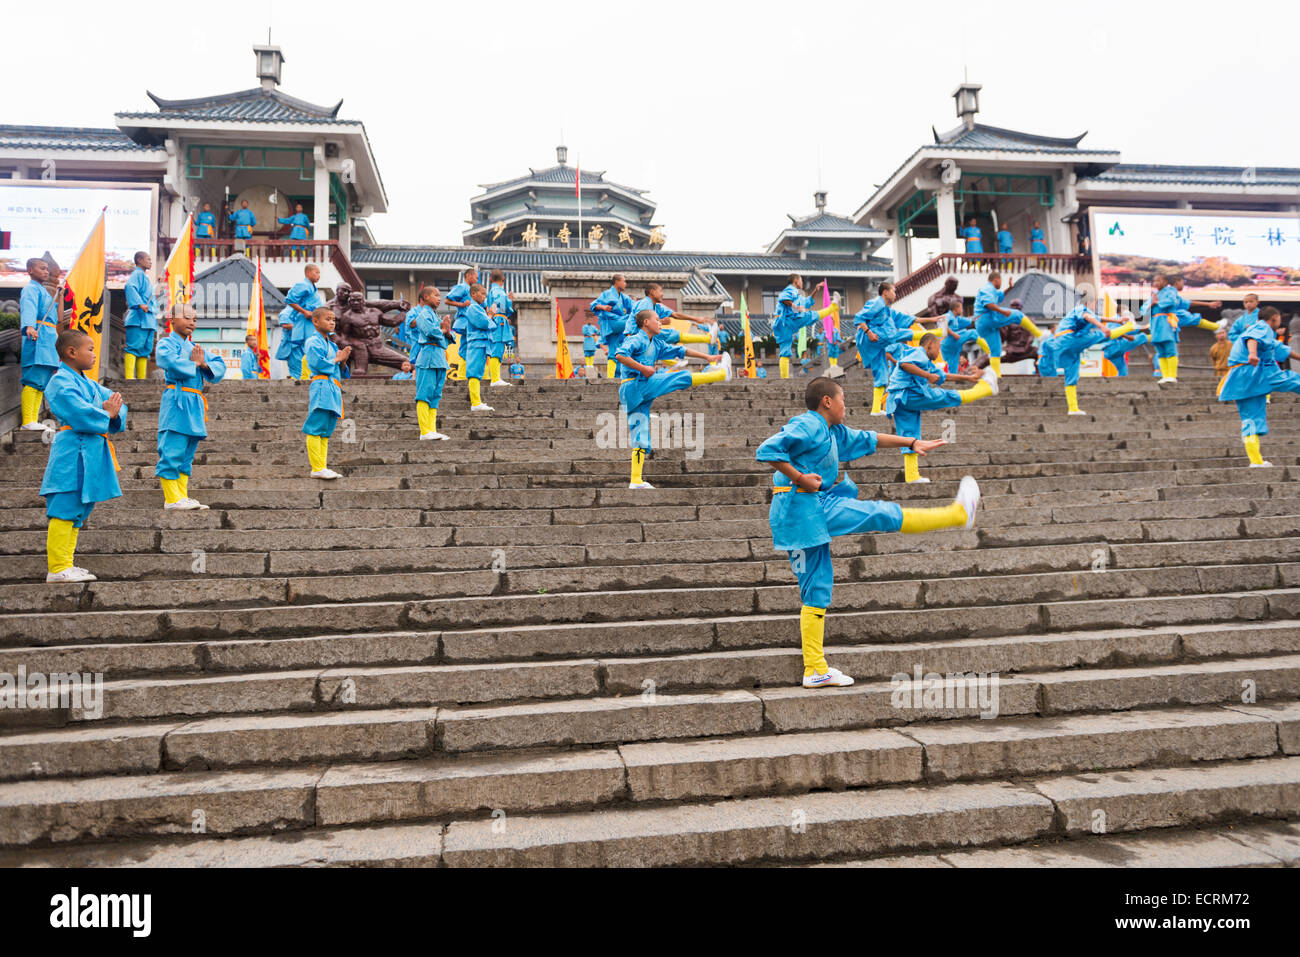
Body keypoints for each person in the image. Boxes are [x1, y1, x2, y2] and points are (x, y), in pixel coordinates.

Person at [756, 376, 982, 687]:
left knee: (816, 588)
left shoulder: (832, 431)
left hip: (801, 513)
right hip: (806, 507)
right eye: (843, 400)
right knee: (879, 512)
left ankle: (814, 669)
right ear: (827, 402)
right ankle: (956, 515)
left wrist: (912, 442)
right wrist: (799, 478)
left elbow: (870, 438)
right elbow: (768, 449)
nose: (846, 406)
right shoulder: (809, 424)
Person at [40, 329, 127, 583]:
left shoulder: (89, 383)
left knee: (79, 509)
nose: (93, 353)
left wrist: (110, 411)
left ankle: (66, 563)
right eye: (90, 349)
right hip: (70, 452)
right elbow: (78, 412)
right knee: (64, 507)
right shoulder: (59, 381)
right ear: (71, 352)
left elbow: (118, 405)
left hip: (91, 451)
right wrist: (106, 412)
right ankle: (57, 567)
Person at [616, 310, 730, 489]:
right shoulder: (637, 338)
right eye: (657, 320)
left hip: (636, 389)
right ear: (646, 322)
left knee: (640, 435)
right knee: (677, 378)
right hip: (635, 384)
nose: (661, 322)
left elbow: (680, 350)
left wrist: (707, 357)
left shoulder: (656, 343)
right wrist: (644, 369)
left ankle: (636, 480)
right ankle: (721, 374)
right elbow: (620, 355)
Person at [886, 334, 998, 483]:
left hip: (898, 400)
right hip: (908, 393)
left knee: (909, 436)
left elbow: (943, 376)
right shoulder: (918, 353)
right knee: (946, 396)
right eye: (938, 348)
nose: (939, 353)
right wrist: (927, 375)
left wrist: (968, 378)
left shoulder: (925, 360)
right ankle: (986, 388)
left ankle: (911, 476)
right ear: (930, 344)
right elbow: (905, 365)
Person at [154, 303, 226, 510]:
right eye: (187, 317)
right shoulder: (167, 343)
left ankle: (182, 496)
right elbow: (166, 360)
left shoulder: (196, 348)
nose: (192, 322)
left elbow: (219, 365)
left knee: (187, 453)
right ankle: (171, 498)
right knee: (172, 449)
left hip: (195, 403)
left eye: (194, 319)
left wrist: (203, 364)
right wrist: (194, 364)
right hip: (177, 400)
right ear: (172, 320)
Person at [1217, 306, 1300, 468]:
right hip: (1256, 372)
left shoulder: (1263, 332)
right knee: (1290, 379)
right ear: (1274, 318)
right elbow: (1252, 339)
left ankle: (1256, 461)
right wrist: (1252, 354)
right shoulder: (1262, 327)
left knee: (1251, 420)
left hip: (1241, 380)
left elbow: (1280, 348)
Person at [1051, 296, 1135, 414]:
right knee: (1099, 335)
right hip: (1069, 338)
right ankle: (1130, 326)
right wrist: (1102, 327)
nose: (1096, 306)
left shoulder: (1077, 312)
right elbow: (1088, 316)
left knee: (1071, 375)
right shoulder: (1081, 308)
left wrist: (1116, 321)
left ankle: (1073, 408)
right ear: (1090, 302)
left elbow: (1097, 317)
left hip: (1061, 345)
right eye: (1095, 303)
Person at [854, 281, 922, 415]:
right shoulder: (877, 303)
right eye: (893, 291)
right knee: (894, 334)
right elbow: (859, 317)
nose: (895, 294)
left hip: (878, 343)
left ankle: (875, 409)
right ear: (885, 292)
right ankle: (935, 332)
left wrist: (933, 319)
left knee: (882, 375)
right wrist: (869, 332)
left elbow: (908, 319)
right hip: (872, 337)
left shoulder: (886, 310)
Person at [303, 306, 351, 479]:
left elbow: (340, 370)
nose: (332, 322)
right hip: (322, 385)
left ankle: (322, 465)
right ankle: (317, 467)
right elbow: (317, 363)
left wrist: (343, 361)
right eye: (328, 319)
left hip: (333, 387)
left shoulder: (331, 344)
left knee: (326, 429)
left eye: (333, 320)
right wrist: (338, 358)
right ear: (316, 322)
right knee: (316, 426)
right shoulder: (313, 341)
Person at [973, 270, 1045, 376]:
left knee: (996, 350)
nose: (1001, 284)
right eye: (1000, 281)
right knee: (1017, 314)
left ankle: (996, 376)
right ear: (996, 280)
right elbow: (988, 304)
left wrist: (1010, 288)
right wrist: (1003, 311)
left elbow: (1000, 295)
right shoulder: (987, 288)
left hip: (983, 326)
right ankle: (1039, 334)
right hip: (987, 317)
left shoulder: (992, 290)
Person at [19, 257, 60, 430]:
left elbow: (56, 318)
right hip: (37, 335)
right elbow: (29, 307)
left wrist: (61, 294)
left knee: (41, 382)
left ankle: (33, 420)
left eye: (47, 269)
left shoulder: (43, 291)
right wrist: (29, 325)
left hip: (49, 337)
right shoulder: (30, 289)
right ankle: (27, 420)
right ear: (30, 270)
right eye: (42, 268)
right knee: (33, 379)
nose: (46, 271)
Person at [773, 275, 837, 379]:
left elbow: (806, 302)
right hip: (790, 319)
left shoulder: (796, 295)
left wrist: (815, 290)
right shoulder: (791, 289)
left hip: (782, 324)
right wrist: (795, 307)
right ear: (796, 281)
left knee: (785, 350)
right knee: (811, 316)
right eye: (801, 280)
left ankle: (784, 378)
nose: (802, 283)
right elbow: (784, 298)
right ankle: (833, 307)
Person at [409, 285, 451, 440]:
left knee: (435, 395)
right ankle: (425, 431)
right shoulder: (422, 314)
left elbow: (444, 342)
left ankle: (432, 430)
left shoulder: (436, 316)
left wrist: (446, 328)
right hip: (427, 357)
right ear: (425, 297)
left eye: (440, 295)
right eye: (436, 295)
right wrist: (444, 330)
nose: (439, 298)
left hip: (439, 357)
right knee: (424, 394)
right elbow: (430, 331)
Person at [274, 264, 324, 380]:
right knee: (298, 365)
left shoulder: (312, 289)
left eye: (319, 273)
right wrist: (304, 312)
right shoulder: (290, 311)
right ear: (308, 273)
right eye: (316, 272)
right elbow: (290, 300)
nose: (319, 275)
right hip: (296, 338)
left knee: (312, 353)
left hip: (310, 325)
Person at [123, 251, 159, 380]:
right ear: (139, 260)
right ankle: (129, 378)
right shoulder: (137, 274)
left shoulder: (144, 277)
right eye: (148, 259)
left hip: (148, 319)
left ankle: (141, 379)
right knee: (133, 348)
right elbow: (130, 286)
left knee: (145, 350)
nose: (150, 262)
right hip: (138, 318)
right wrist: (139, 304)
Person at [590, 274, 634, 378]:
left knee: (614, 352)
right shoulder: (607, 293)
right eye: (624, 281)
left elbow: (634, 306)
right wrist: (603, 307)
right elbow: (593, 305)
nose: (625, 284)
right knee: (634, 320)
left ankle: (612, 377)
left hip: (619, 324)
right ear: (616, 282)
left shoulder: (624, 297)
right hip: (612, 323)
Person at [463, 283, 496, 412]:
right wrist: (491, 315)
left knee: (477, 372)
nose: (484, 297)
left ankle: (477, 401)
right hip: (476, 343)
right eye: (482, 293)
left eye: (485, 294)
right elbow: (485, 323)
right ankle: (475, 402)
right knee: (474, 372)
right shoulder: (473, 308)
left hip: (481, 343)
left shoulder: (478, 308)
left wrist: (488, 317)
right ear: (473, 294)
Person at [446, 268, 478, 380]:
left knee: (466, 347)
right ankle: (463, 375)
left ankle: (463, 375)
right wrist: (462, 304)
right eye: (476, 277)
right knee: (470, 346)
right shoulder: (462, 287)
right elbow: (447, 300)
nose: (477, 280)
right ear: (469, 276)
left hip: (470, 322)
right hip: (464, 321)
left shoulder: (471, 289)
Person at [485, 270, 515, 388]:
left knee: (498, 348)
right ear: (503, 279)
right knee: (497, 348)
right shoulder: (498, 291)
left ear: (490, 279)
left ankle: (496, 377)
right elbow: (502, 306)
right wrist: (509, 301)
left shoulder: (492, 291)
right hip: (499, 320)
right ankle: (495, 378)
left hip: (496, 320)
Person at [939, 300, 978, 374]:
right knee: (972, 332)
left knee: (953, 366)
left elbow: (970, 320)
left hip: (950, 346)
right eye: (961, 308)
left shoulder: (958, 318)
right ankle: (989, 350)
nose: (962, 310)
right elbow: (942, 323)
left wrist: (980, 316)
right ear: (956, 308)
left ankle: (954, 379)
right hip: (950, 341)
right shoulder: (948, 315)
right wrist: (953, 334)